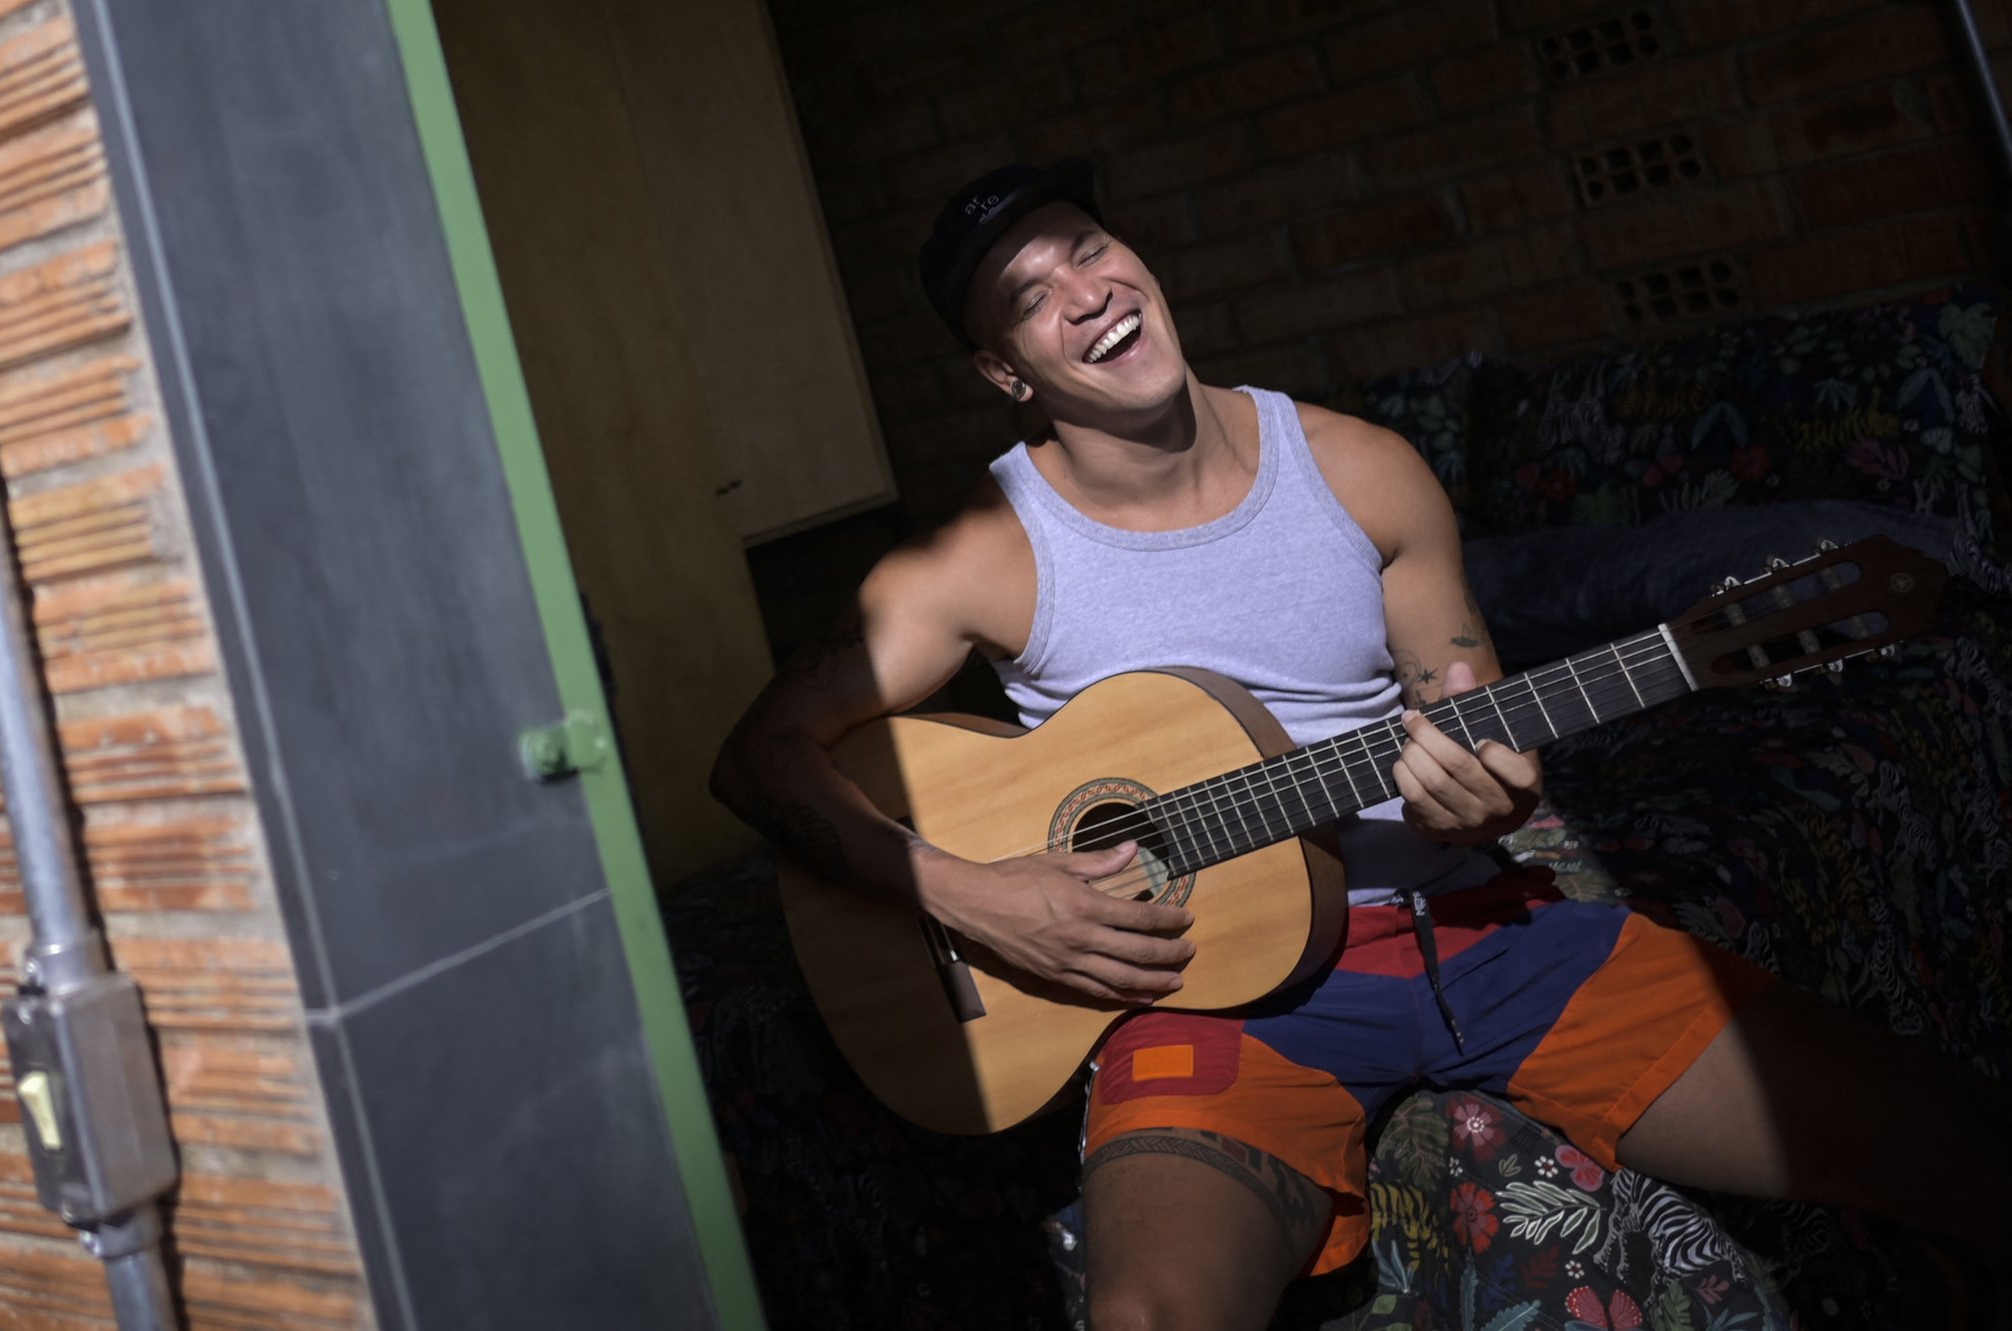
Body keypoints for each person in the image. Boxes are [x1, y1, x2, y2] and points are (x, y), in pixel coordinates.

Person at [711, 160, 2011, 1331]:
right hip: (1212, 1006)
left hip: (1491, 936)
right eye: (1029, 294)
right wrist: (980, 898)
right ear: (1008, 371)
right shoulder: (982, 557)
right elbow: (762, 756)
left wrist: (1489, 794)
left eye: (1089, 248)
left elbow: (1470, 709)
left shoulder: (1364, 472)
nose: (1085, 294)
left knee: (1956, 1145)